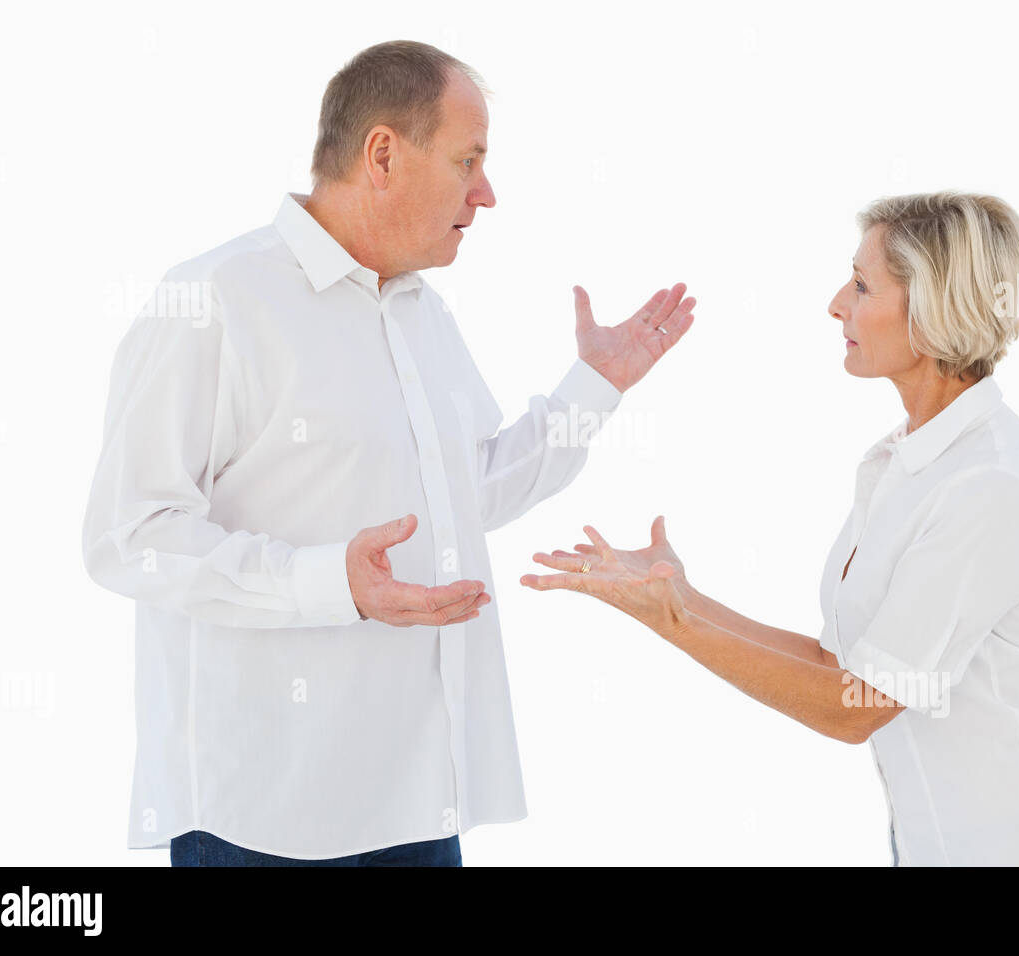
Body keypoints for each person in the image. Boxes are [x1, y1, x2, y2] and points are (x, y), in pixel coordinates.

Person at [81, 40, 695, 867]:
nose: (487, 193)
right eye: (468, 161)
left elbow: (467, 491)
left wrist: (595, 387)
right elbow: (129, 537)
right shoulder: (214, 300)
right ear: (382, 154)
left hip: (418, 803)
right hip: (261, 820)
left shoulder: (419, 311)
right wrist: (331, 583)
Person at [520, 191, 1019, 866]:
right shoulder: (909, 460)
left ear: (932, 308)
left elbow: (856, 708)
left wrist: (673, 622)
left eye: (862, 285)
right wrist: (683, 598)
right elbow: (839, 668)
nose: (836, 303)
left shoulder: (988, 487)